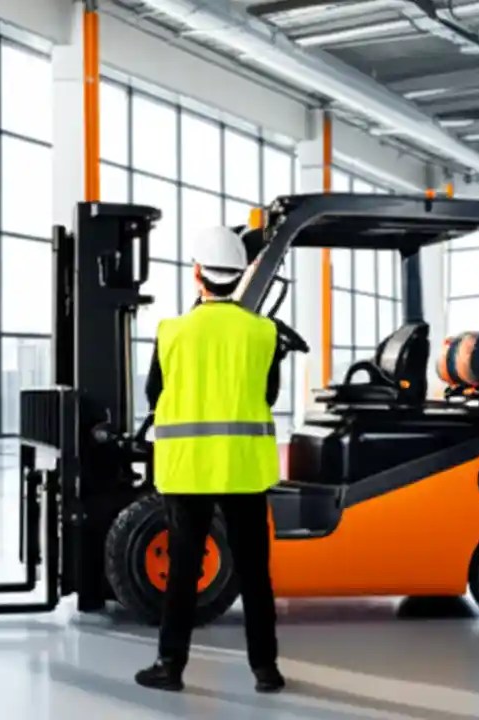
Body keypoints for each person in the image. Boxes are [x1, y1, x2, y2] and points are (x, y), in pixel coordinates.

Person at [133, 225, 287, 694]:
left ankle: (169, 665)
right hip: (243, 467)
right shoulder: (263, 332)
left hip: (188, 469)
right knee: (254, 573)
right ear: (240, 276)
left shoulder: (172, 331)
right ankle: (266, 670)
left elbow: (153, 393)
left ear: (197, 274)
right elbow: (270, 393)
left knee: (183, 571)